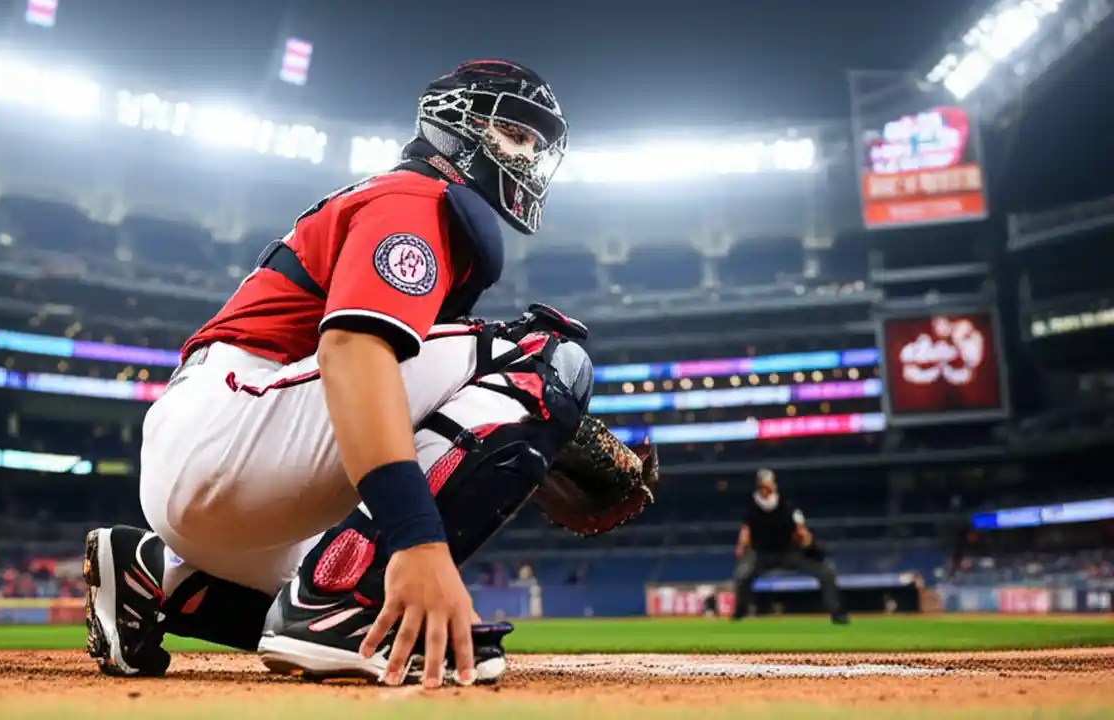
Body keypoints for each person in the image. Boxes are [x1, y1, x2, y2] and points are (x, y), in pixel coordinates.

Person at [82, 60, 653, 689]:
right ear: (458, 124)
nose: (530, 156)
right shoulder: (416, 197)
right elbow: (353, 351)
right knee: (548, 357)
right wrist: (418, 540)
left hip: (229, 458)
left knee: (314, 604)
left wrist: (538, 442)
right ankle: (342, 599)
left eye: (538, 146)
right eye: (515, 134)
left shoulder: (413, 203)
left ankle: (153, 577)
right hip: (233, 424)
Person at [731, 469, 848, 624]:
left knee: (827, 572)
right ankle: (740, 613)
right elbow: (745, 530)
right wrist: (741, 546)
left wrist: (806, 541)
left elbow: (800, 529)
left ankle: (837, 613)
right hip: (761, 554)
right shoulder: (752, 507)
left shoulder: (786, 505)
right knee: (742, 575)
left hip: (788, 552)